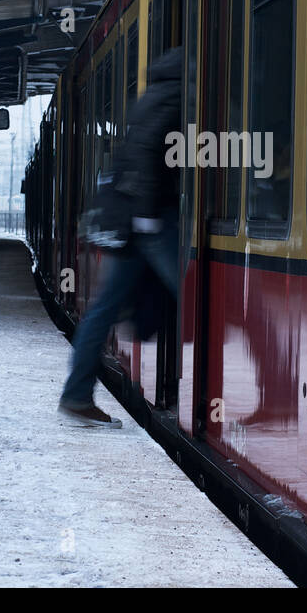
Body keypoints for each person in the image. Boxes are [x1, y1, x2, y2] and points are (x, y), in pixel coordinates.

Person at [60, 47, 183, 427]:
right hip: (146, 221)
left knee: (104, 309)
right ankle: (78, 394)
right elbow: (148, 156)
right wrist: (146, 219)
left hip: (131, 219)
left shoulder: (151, 96)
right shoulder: (174, 96)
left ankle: (78, 393)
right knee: (193, 292)